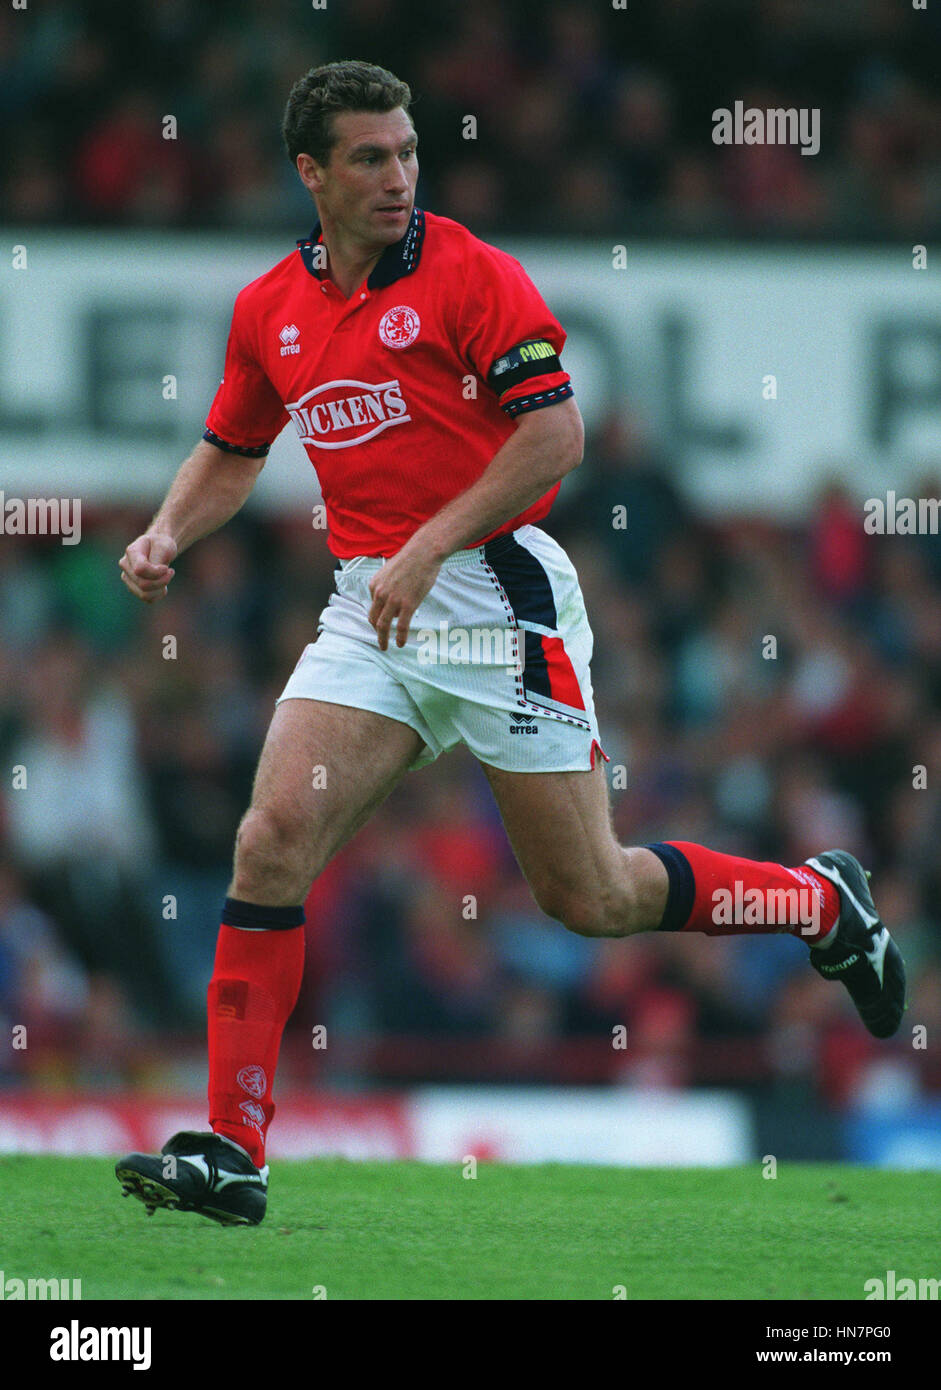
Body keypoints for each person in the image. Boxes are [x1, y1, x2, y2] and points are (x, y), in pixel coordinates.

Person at [115, 61, 904, 1227]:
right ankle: (235, 1149)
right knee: (268, 839)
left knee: (589, 896)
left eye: (407, 152)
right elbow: (235, 444)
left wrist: (431, 544)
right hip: (369, 610)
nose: (397, 177)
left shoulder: (469, 274)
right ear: (310, 173)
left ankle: (816, 905)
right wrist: (168, 528)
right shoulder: (268, 309)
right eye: (370, 158)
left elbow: (554, 436)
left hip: (499, 604)